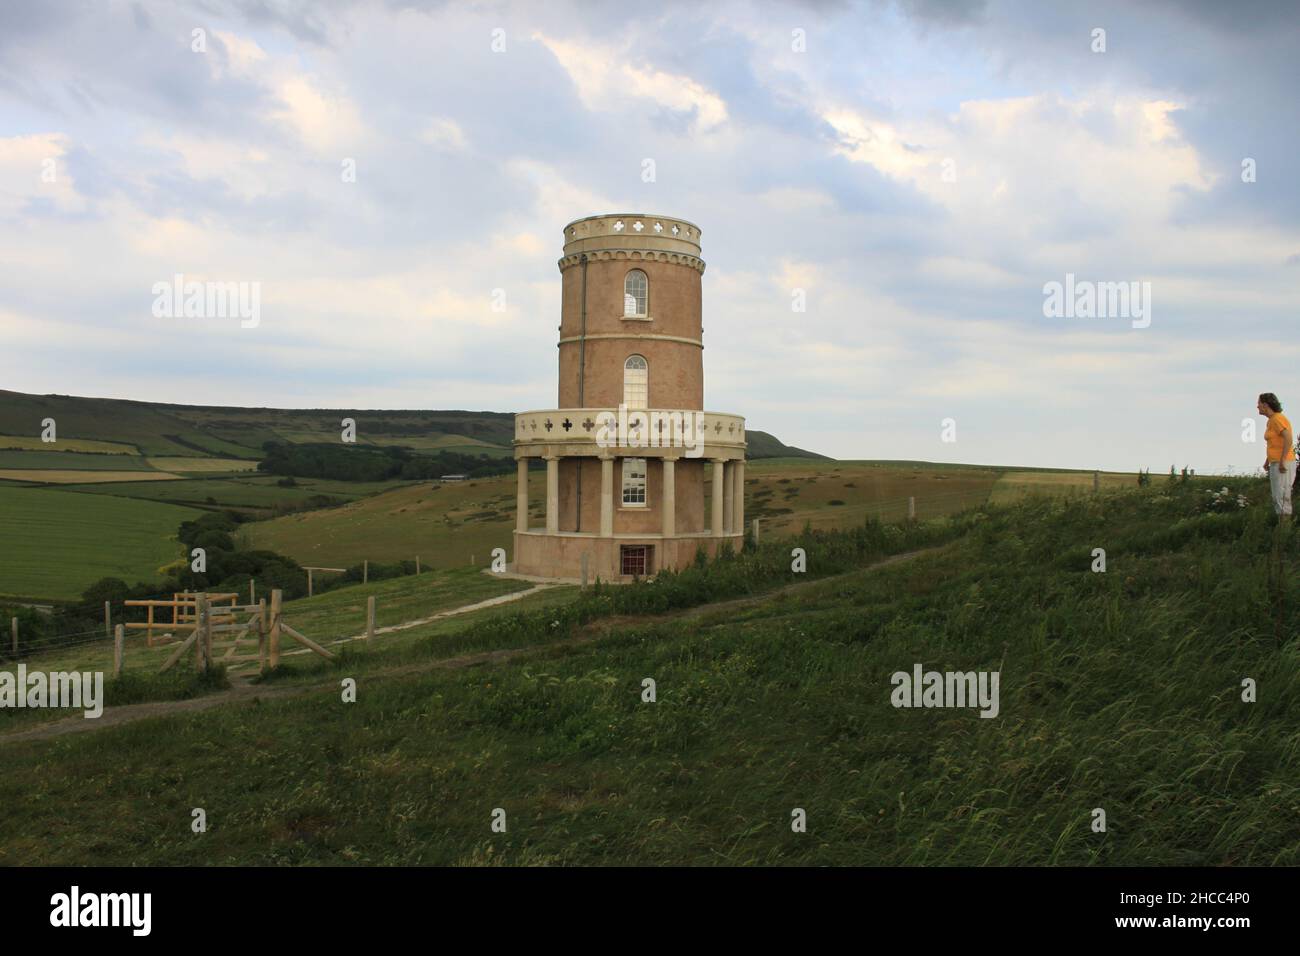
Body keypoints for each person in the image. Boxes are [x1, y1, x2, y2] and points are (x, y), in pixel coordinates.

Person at [1257, 392, 1294, 519]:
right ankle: (1282, 529)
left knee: (1282, 496)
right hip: (1275, 462)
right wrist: (1268, 460)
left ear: (1266, 405)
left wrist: (1283, 460)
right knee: (1277, 496)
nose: (1257, 406)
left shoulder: (1278, 419)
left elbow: (1288, 438)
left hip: (1283, 463)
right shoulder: (1271, 421)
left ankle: (1285, 530)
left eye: (1259, 403)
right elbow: (1275, 442)